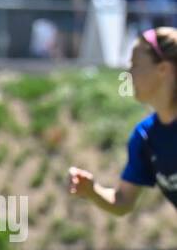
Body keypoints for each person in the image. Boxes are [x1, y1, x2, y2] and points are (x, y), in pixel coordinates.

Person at [70, 27, 177, 222]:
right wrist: (91, 190)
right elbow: (123, 201)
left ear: (163, 69)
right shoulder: (146, 137)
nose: (128, 74)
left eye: (135, 65)